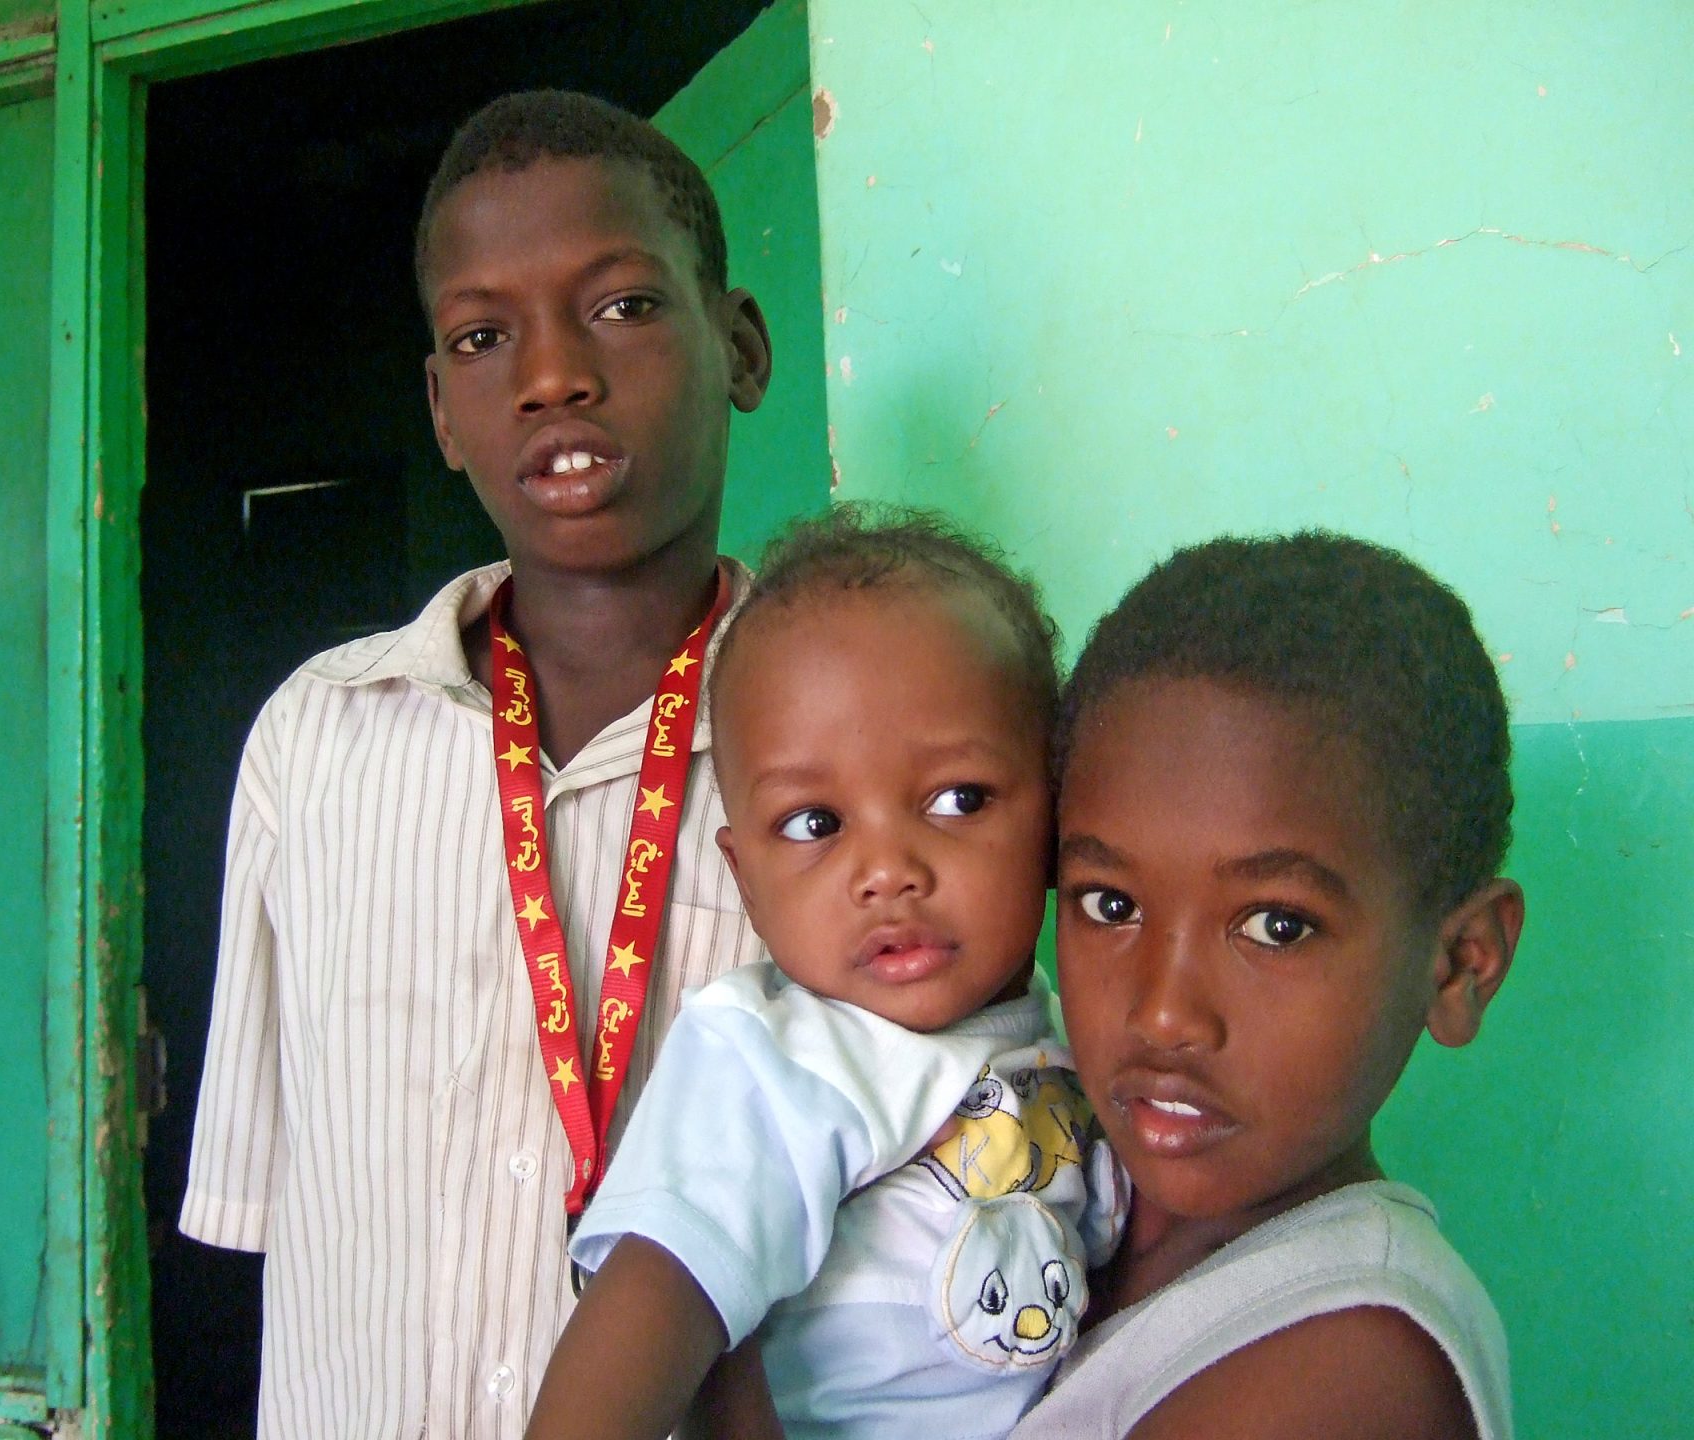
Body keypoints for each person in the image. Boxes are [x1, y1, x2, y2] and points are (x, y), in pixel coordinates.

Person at [178, 89, 774, 1437]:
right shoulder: (314, 743)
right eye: (484, 337)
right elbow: (270, 1211)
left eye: (623, 305)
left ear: (740, 347)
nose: (552, 374)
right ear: (443, 410)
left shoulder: (853, 761)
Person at [526, 508, 1127, 1440]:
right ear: (746, 882)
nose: (887, 870)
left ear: (1057, 814)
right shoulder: (775, 1061)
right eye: (815, 824)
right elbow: (649, 1305)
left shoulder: (1073, 1044)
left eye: (957, 799)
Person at [1010, 532, 1523, 1439]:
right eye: (1110, 903)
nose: (1164, 1013)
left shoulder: (1351, 1371)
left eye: (1277, 927)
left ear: (1461, 964)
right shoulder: (1049, 1193)